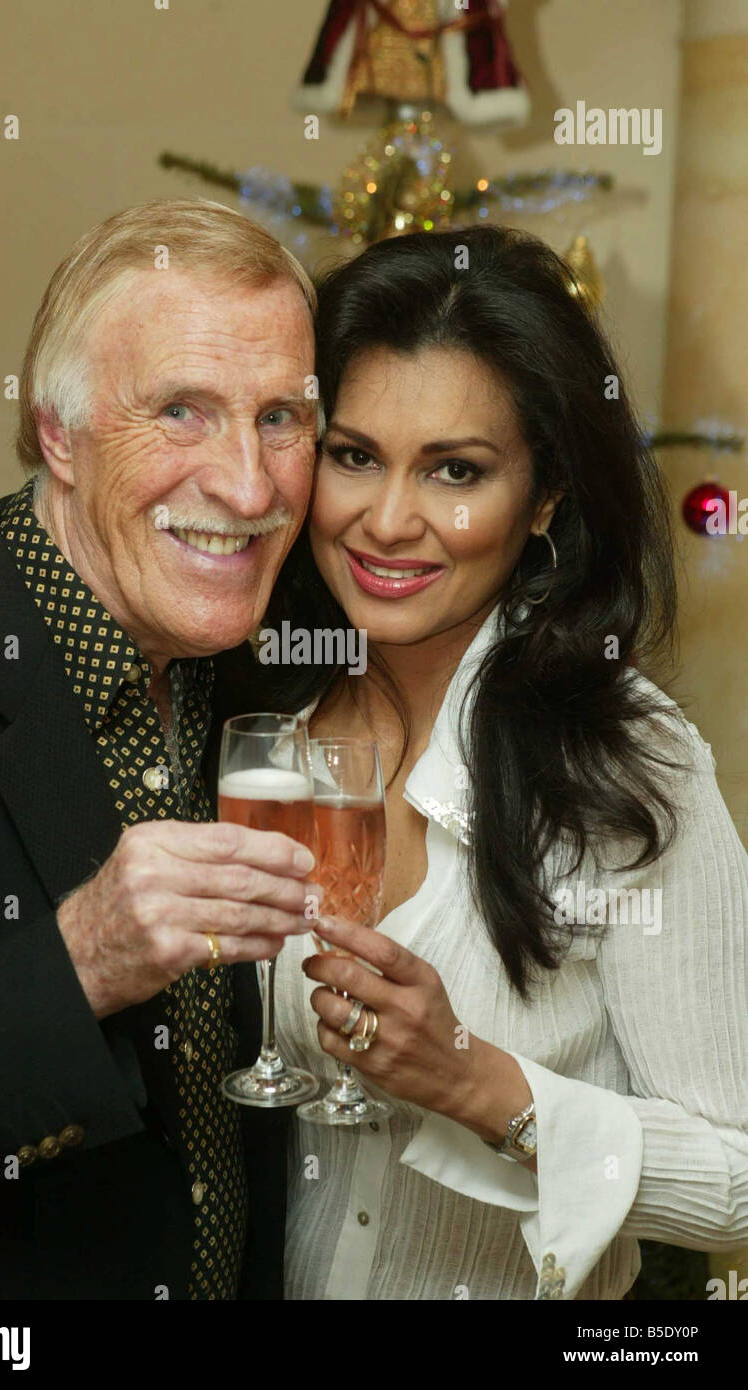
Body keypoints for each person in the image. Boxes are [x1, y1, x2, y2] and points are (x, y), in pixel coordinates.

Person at [249, 226, 748, 1299]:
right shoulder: (259, 722)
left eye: (455, 471)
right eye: (352, 455)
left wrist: (477, 1083)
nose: (387, 521)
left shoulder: (625, 762)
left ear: (545, 497)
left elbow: (736, 1178)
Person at [0, 199, 320, 1300]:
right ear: (58, 434)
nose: (248, 486)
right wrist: (74, 963)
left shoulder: (268, 675)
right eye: (180, 410)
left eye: (280, 417)